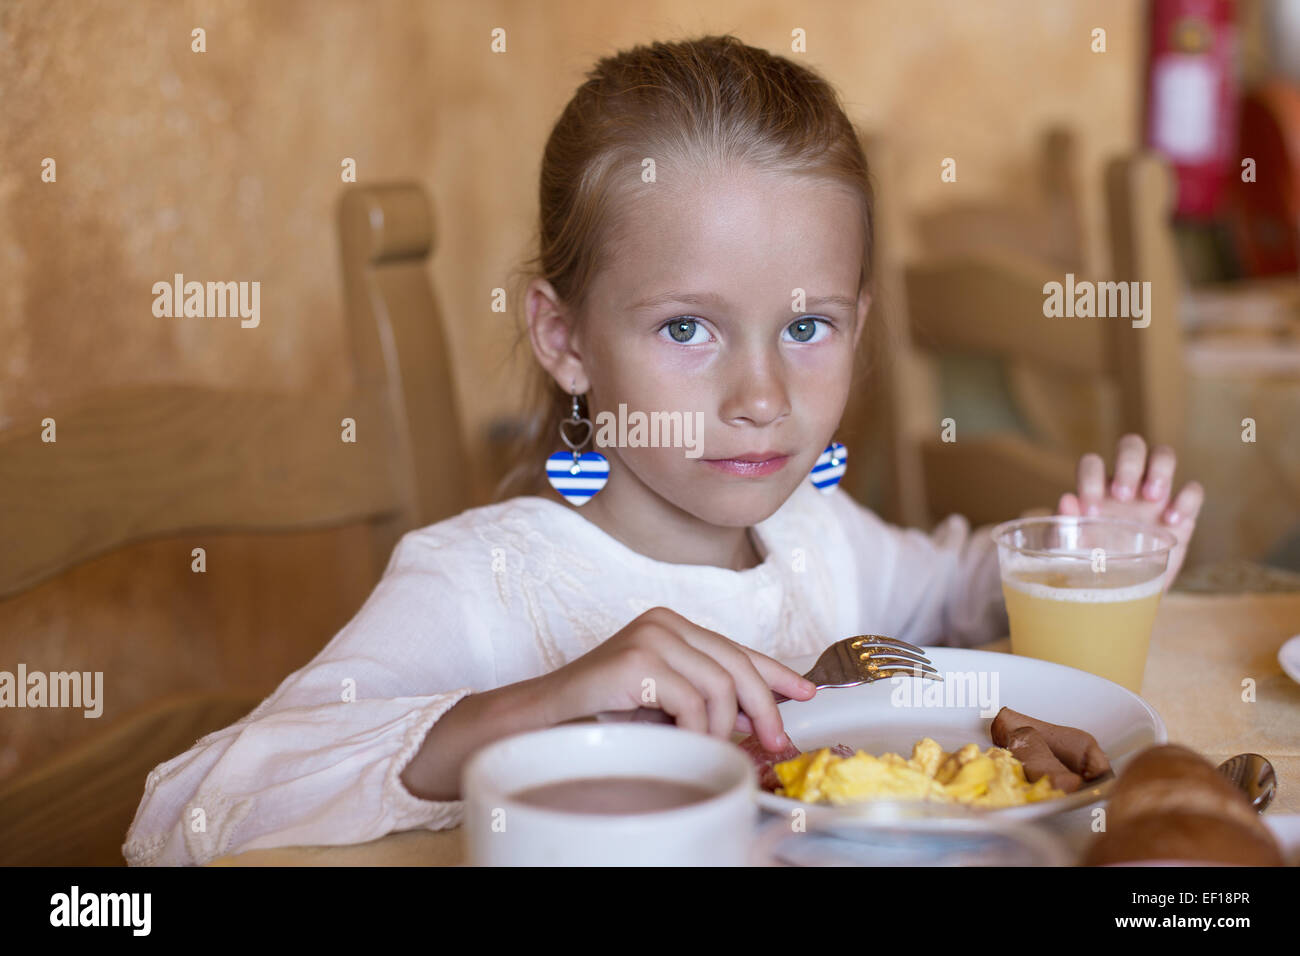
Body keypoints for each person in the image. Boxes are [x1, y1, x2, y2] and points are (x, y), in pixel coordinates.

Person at [123, 34, 1203, 866]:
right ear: (566, 339)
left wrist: (1079, 551)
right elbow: (181, 812)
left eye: (806, 326)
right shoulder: (484, 583)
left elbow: (956, 598)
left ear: (859, 326)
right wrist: (533, 707)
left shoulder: (816, 535)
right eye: (687, 328)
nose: (760, 396)